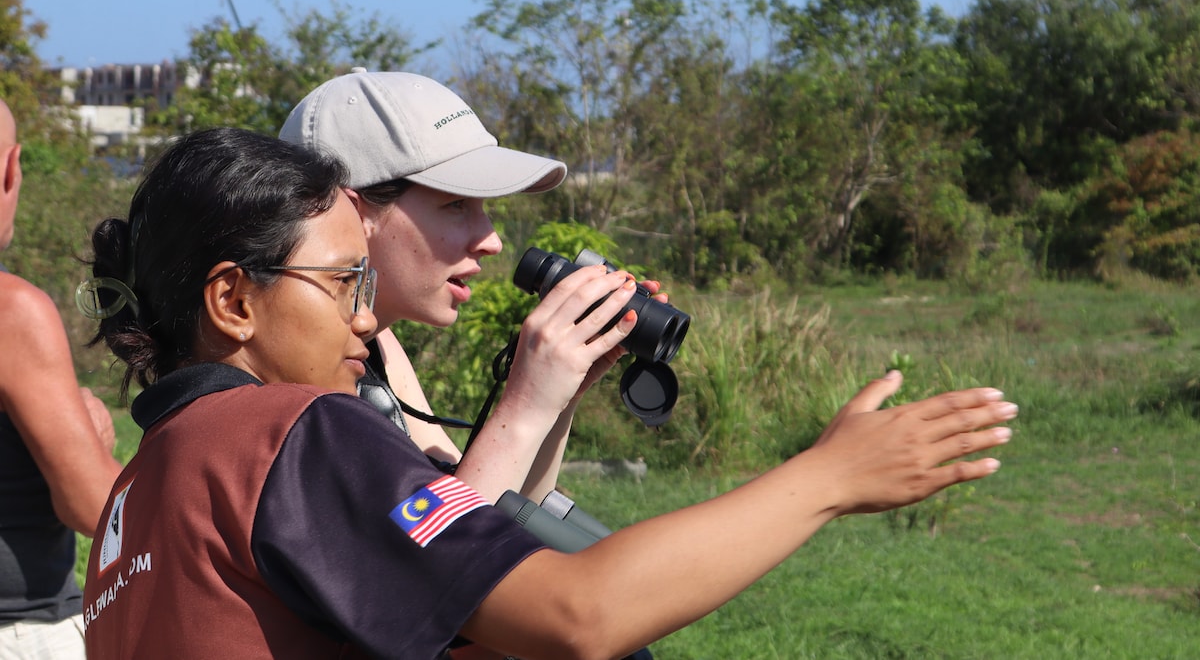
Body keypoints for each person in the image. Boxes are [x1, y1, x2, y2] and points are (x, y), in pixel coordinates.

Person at [80, 127, 1017, 660]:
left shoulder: (138, 491)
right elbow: (580, 612)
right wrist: (825, 478)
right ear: (234, 298)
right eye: (344, 284)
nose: (367, 321)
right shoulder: (291, 430)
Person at [280, 70, 661, 503]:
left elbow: (506, 514)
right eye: (455, 204)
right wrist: (525, 406)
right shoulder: (284, 375)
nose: (493, 240)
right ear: (350, 214)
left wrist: (560, 394)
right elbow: (450, 552)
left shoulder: (378, 344)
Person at [0, 98, 122, 658]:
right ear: (11, 169)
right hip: (20, 628)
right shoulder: (11, 311)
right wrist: (94, 438)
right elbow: (94, 506)